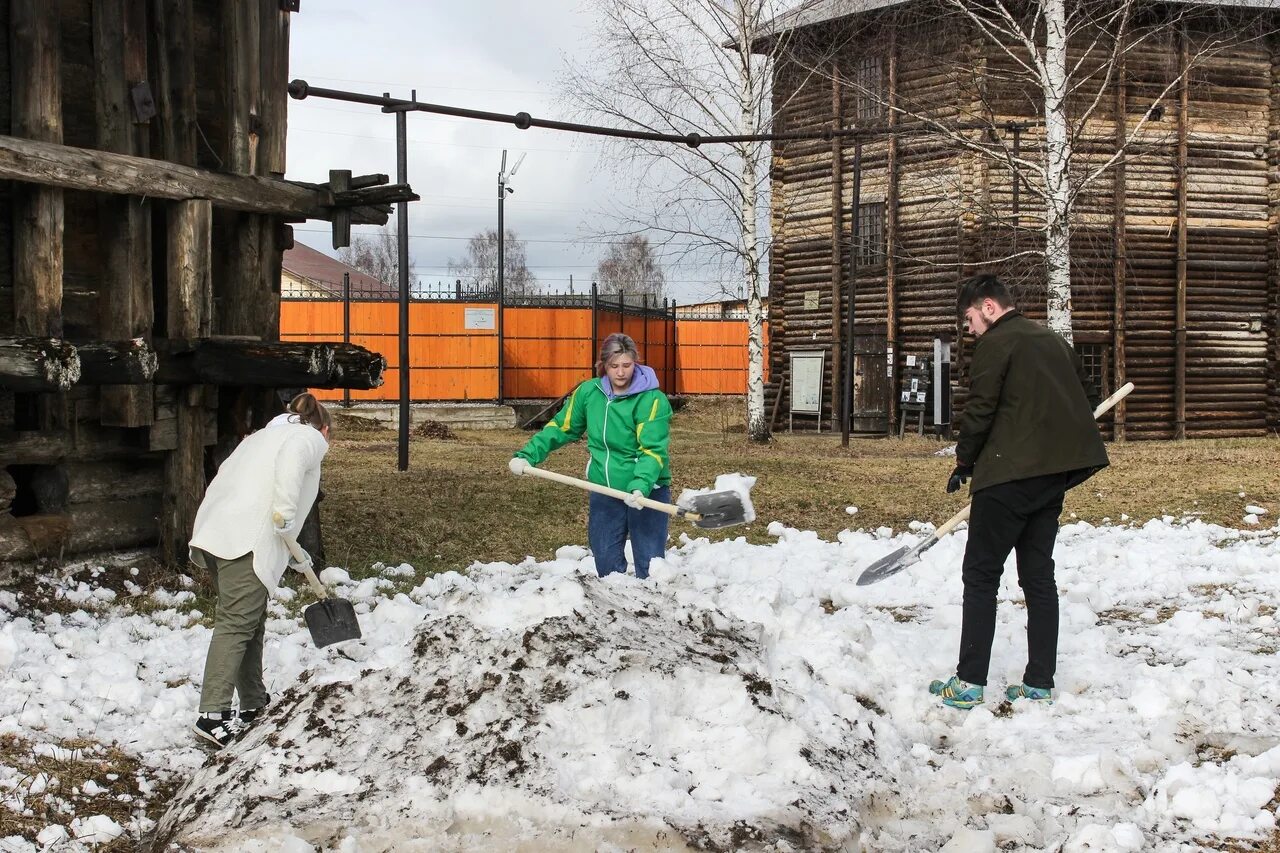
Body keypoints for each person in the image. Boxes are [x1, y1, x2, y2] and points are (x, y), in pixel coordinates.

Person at [930, 274, 1109, 709]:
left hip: (1006, 479)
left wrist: (963, 462)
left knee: (981, 575)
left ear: (989, 307)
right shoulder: (1054, 342)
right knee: (1038, 577)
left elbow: (980, 409)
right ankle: (1039, 683)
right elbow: (1088, 397)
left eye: (970, 319)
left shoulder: (997, 344)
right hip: (1052, 479)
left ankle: (969, 683)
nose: (969, 329)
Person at [189, 392, 332, 747]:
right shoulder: (306, 437)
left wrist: (295, 550)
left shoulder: (259, 438)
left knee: (250, 622)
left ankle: (253, 704)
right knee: (237, 624)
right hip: (246, 541)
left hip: (216, 534)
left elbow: (225, 478)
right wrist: (284, 517)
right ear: (325, 428)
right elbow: (293, 461)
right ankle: (212, 716)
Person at [509, 333, 673, 580]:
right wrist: (528, 455)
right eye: (614, 366)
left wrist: (640, 485)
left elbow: (652, 450)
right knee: (605, 563)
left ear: (635, 364)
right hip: (605, 489)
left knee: (650, 566)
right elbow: (561, 427)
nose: (620, 373)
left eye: (626, 366)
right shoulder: (589, 393)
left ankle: (651, 613)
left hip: (646, 492)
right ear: (603, 366)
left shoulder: (651, 400)